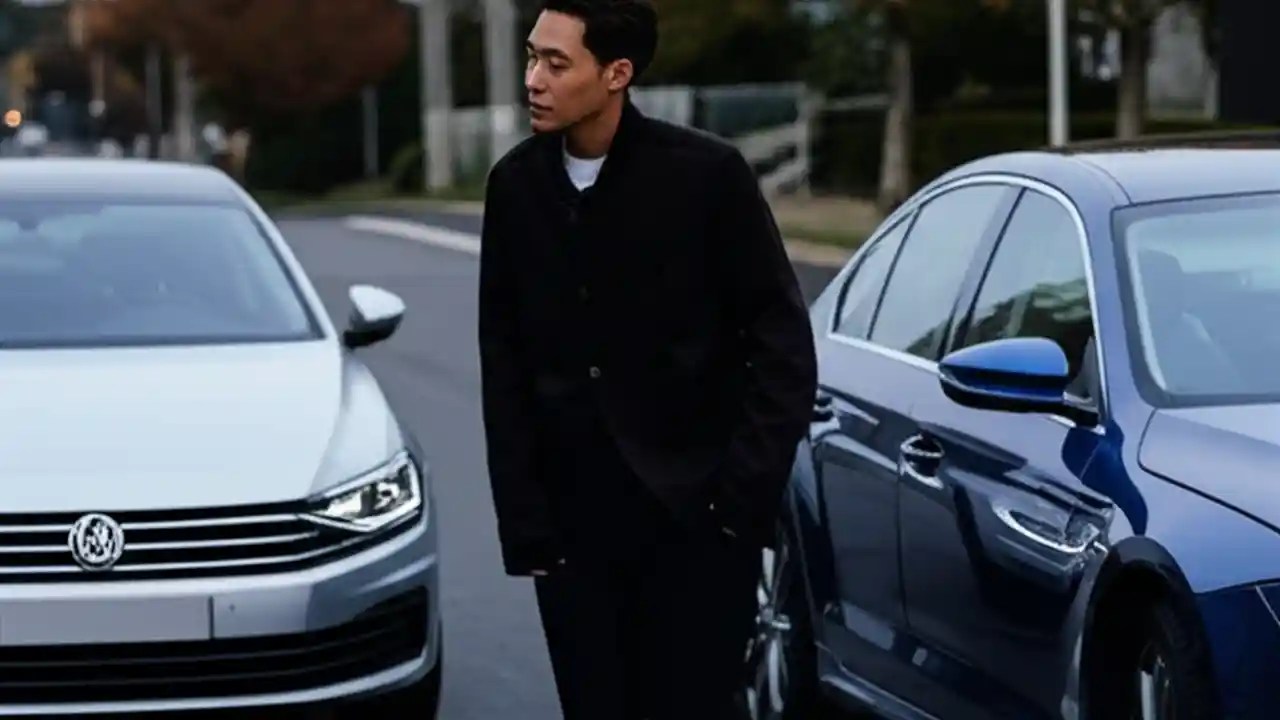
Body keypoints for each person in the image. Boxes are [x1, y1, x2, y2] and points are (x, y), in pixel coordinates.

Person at [477, 0, 818, 717]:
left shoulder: (707, 177)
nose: (533, 79)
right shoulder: (515, 187)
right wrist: (527, 523)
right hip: (572, 535)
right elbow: (503, 360)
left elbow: (781, 343)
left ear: (617, 74)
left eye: (555, 62)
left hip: (697, 524)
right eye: (532, 57)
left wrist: (740, 504)